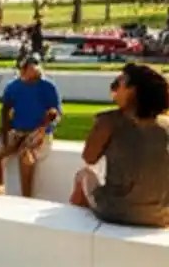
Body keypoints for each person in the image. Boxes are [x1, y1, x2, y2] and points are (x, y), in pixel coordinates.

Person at [71, 63, 169, 227]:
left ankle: (74, 231)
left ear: (133, 90)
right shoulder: (166, 125)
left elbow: (89, 157)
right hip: (162, 215)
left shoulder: (109, 122)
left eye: (119, 82)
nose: (114, 87)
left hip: (117, 212)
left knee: (83, 175)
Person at [0, 54, 62, 198]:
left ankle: (26, 198)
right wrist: (4, 133)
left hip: (40, 130)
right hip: (17, 130)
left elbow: (56, 114)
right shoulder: (13, 87)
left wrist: (44, 128)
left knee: (25, 156)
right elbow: (6, 110)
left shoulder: (48, 87)